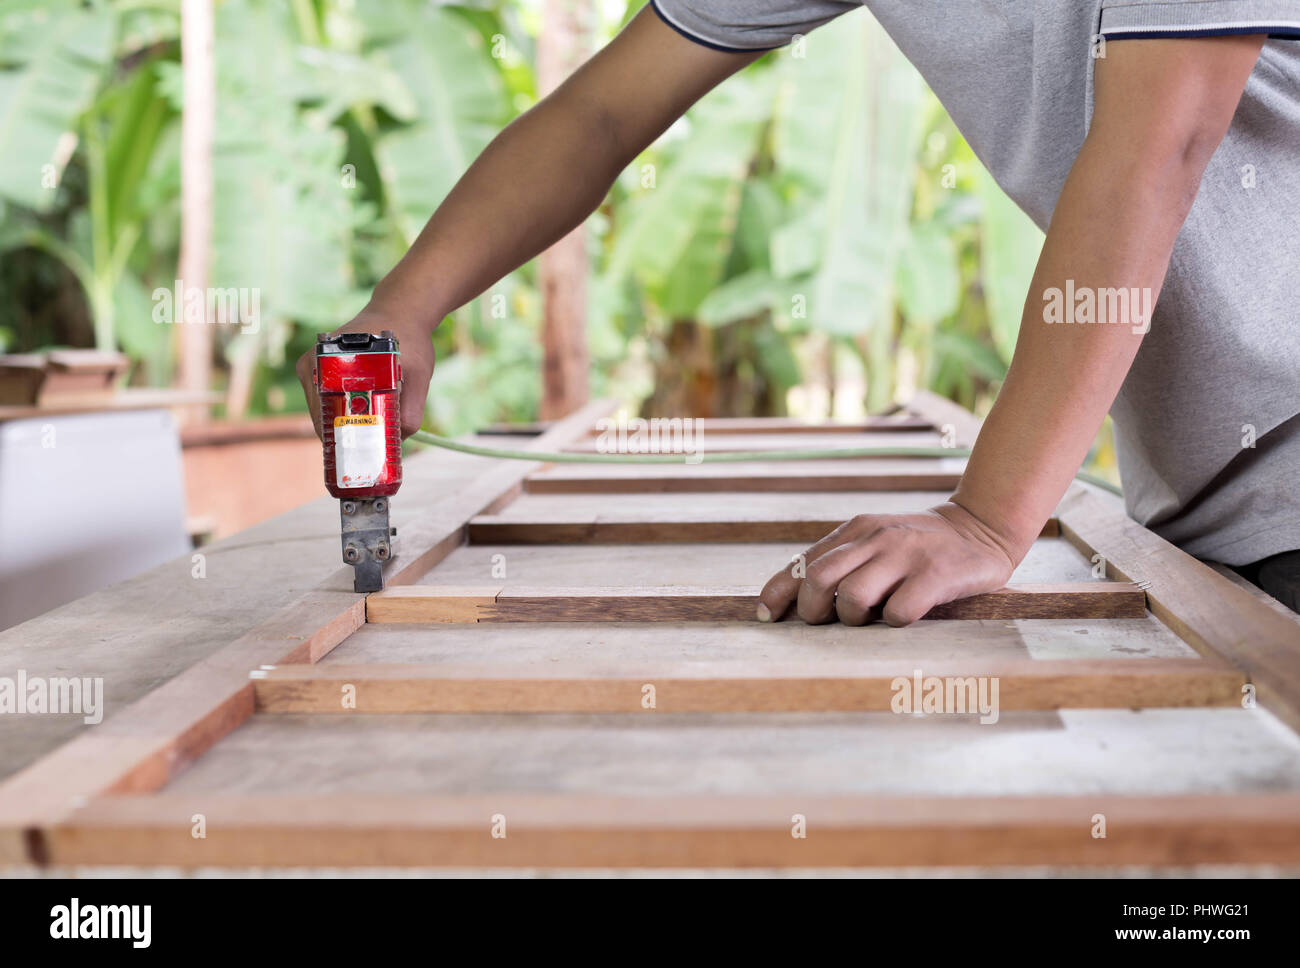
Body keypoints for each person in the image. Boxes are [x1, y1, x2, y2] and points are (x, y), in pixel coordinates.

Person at [298, 1, 1300, 620]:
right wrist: (406, 305)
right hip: (1219, 515)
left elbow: (1156, 155)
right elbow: (600, 113)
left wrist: (985, 520)